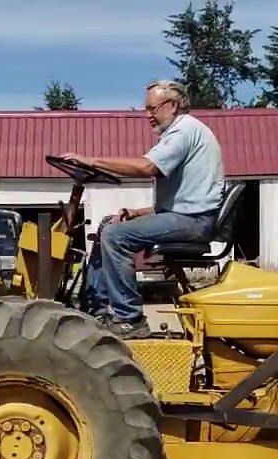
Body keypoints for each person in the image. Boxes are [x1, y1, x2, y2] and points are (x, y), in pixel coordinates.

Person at [58, 79, 225, 339]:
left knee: (117, 236)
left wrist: (92, 160)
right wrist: (137, 213)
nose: (148, 116)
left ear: (172, 105)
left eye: (152, 109)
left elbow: (148, 167)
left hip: (195, 222)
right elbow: (180, 200)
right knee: (108, 226)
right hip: (186, 216)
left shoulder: (184, 131)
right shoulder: (182, 132)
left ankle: (129, 318)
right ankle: (96, 310)